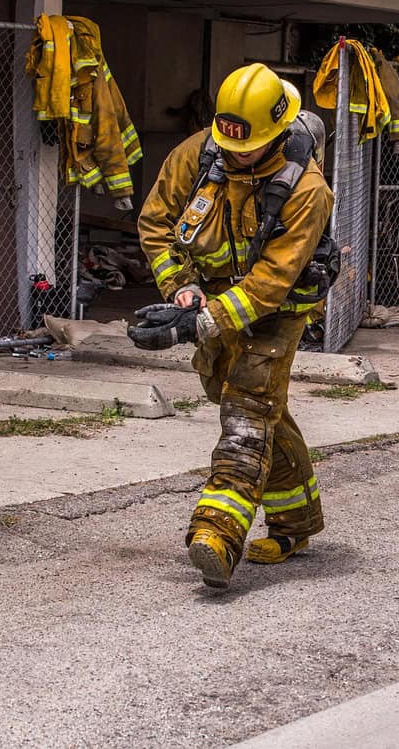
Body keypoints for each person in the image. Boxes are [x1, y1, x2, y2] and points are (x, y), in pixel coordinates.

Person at [131, 63, 334, 588]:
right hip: (214, 299)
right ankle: (297, 522)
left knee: (247, 413)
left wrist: (194, 324)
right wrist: (181, 288)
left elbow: (271, 283)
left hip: (278, 309)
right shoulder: (200, 153)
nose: (235, 153)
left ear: (278, 132)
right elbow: (156, 223)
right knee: (255, 404)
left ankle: (217, 534)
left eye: (248, 146)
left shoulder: (307, 188)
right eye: (228, 141)